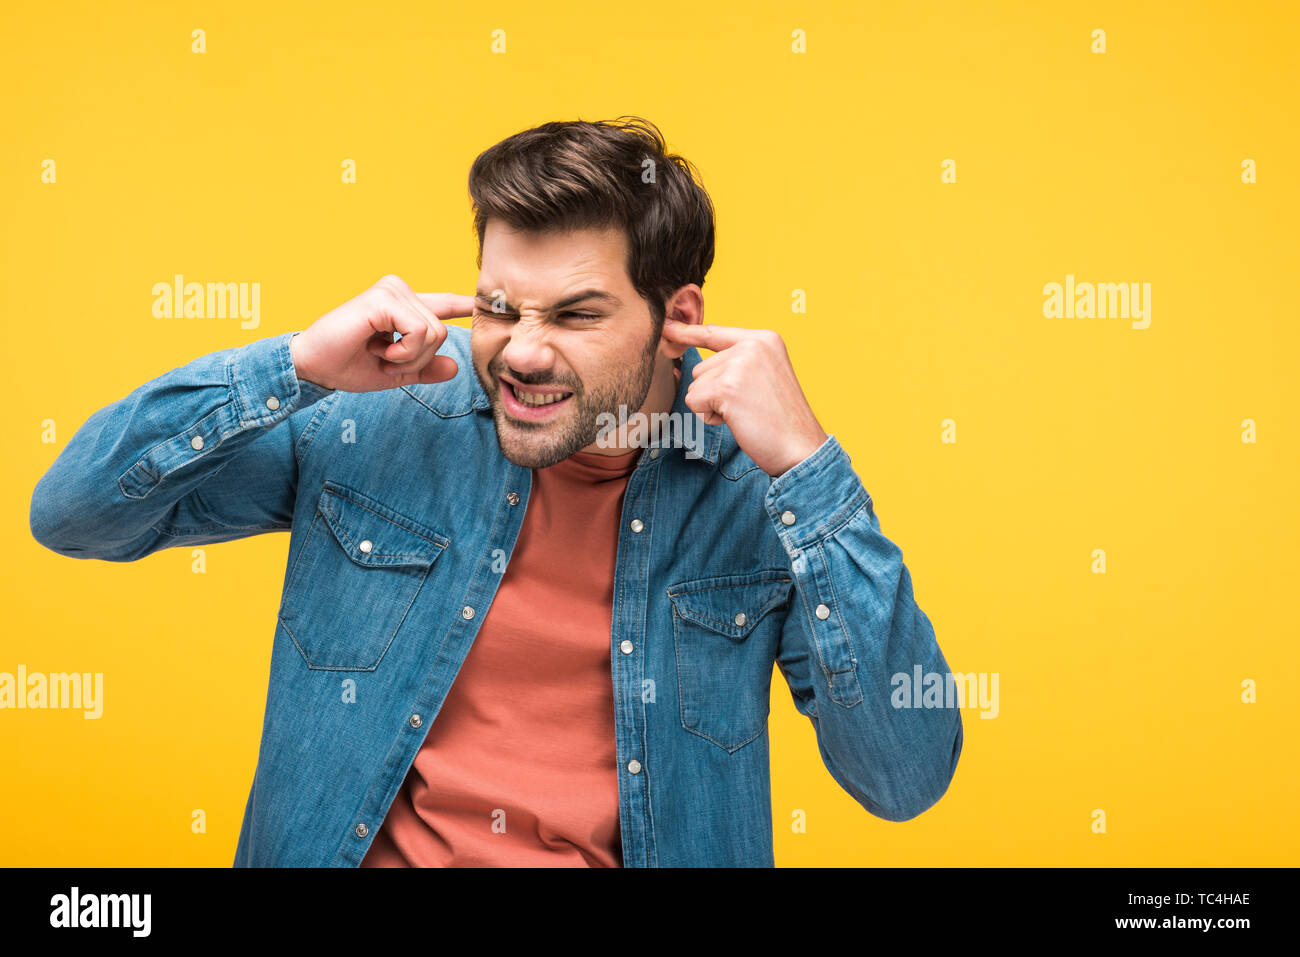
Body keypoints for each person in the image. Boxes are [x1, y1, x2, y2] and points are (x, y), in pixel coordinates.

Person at [29, 116, 962, 867]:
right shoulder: (381, 422)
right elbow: (73, 512)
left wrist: (809, 470)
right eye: (498, 306)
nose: (519, 349)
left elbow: (903, 774)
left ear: (679, 319)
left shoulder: (767, 504)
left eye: (575, 314)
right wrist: (293, 367)